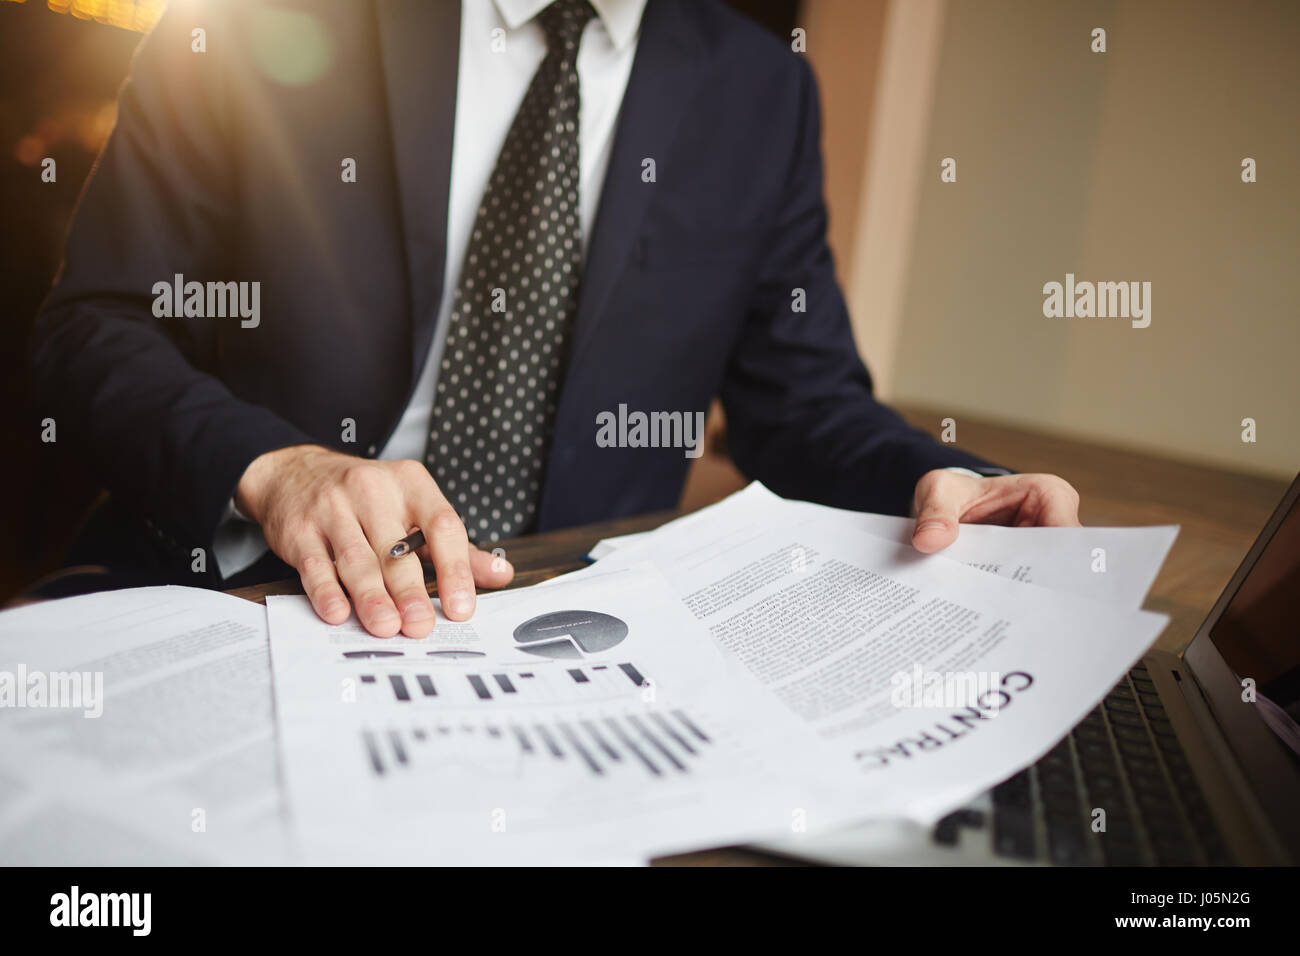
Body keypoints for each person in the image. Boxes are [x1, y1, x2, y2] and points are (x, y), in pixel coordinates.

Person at [30, 0, 1079, 638]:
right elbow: (91, 326)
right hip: (238, 588)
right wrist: (278, 467)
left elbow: (803, 405)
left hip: (566, 637)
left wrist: (937, 482)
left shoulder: (764, 93)